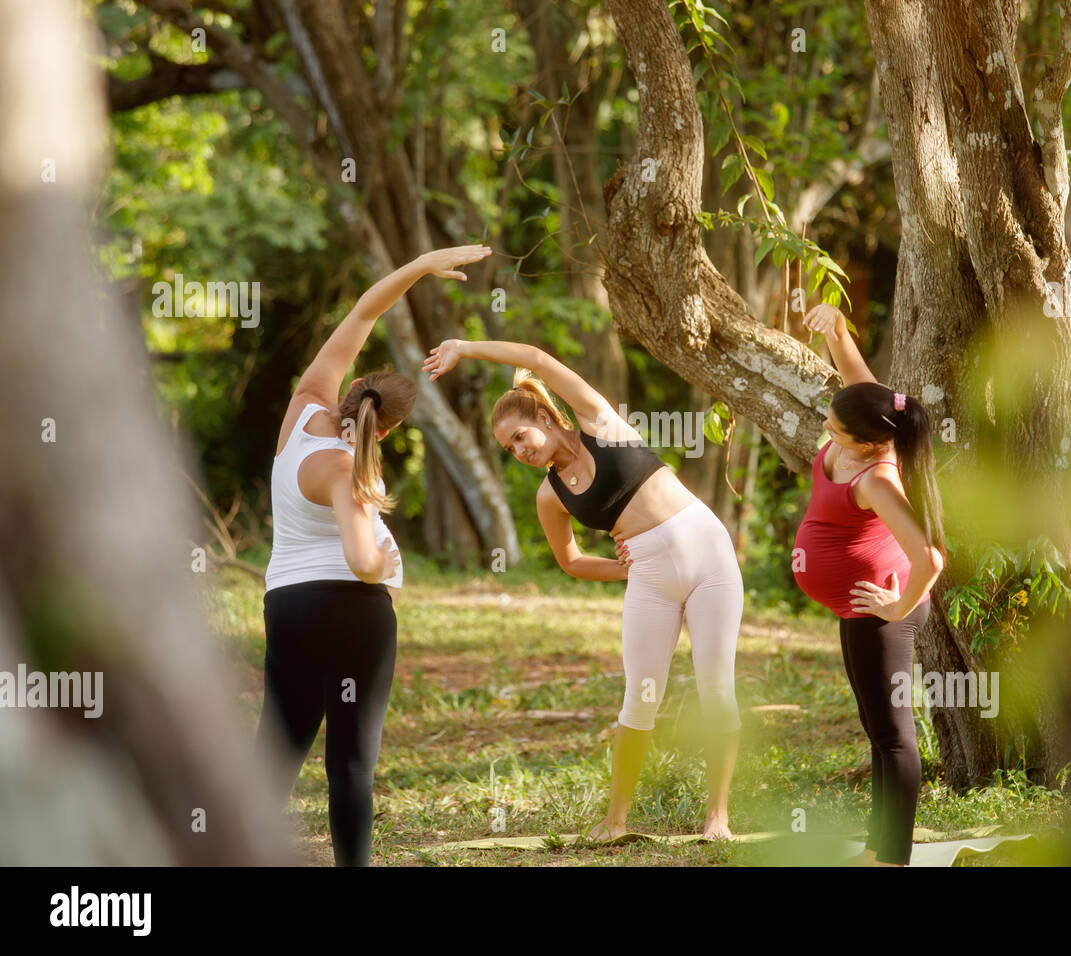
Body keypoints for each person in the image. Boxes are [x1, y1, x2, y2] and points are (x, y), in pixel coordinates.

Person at [423, 339, 744, 841]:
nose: (520, 451)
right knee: (639, 698)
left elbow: (537, 359)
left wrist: (464, 347)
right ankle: (615, 822)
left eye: (521, 436)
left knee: (717, 689)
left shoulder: (600, 423)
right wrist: (627, 570)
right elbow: (570, 561)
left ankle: (717, 819)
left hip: (711, 559)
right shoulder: (550, 495)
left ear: (545, 416)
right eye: (510, 449)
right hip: (649, 580)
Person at [257, 244, 491, 865]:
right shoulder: (350, 471)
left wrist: (417, 267)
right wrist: (387, 566)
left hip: (287, 606)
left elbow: (362, 314)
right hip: (355, 616)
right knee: (351, 767)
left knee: (275, 753)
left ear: (351, 390)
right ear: (384, 430)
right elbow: (362, 563)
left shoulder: (303, 409)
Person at [796, 302, 947, 867]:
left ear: (865, 443)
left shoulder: (879, 478)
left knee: (893, 738)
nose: (825, 431)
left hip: (882, 613)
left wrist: (895, 606)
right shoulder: (872, 422)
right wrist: (837, 328)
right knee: (874, 728)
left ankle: (893, 859)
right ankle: (878, 849)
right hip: (860, 609)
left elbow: (930, 557)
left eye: (834, 428)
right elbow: (862, 390)